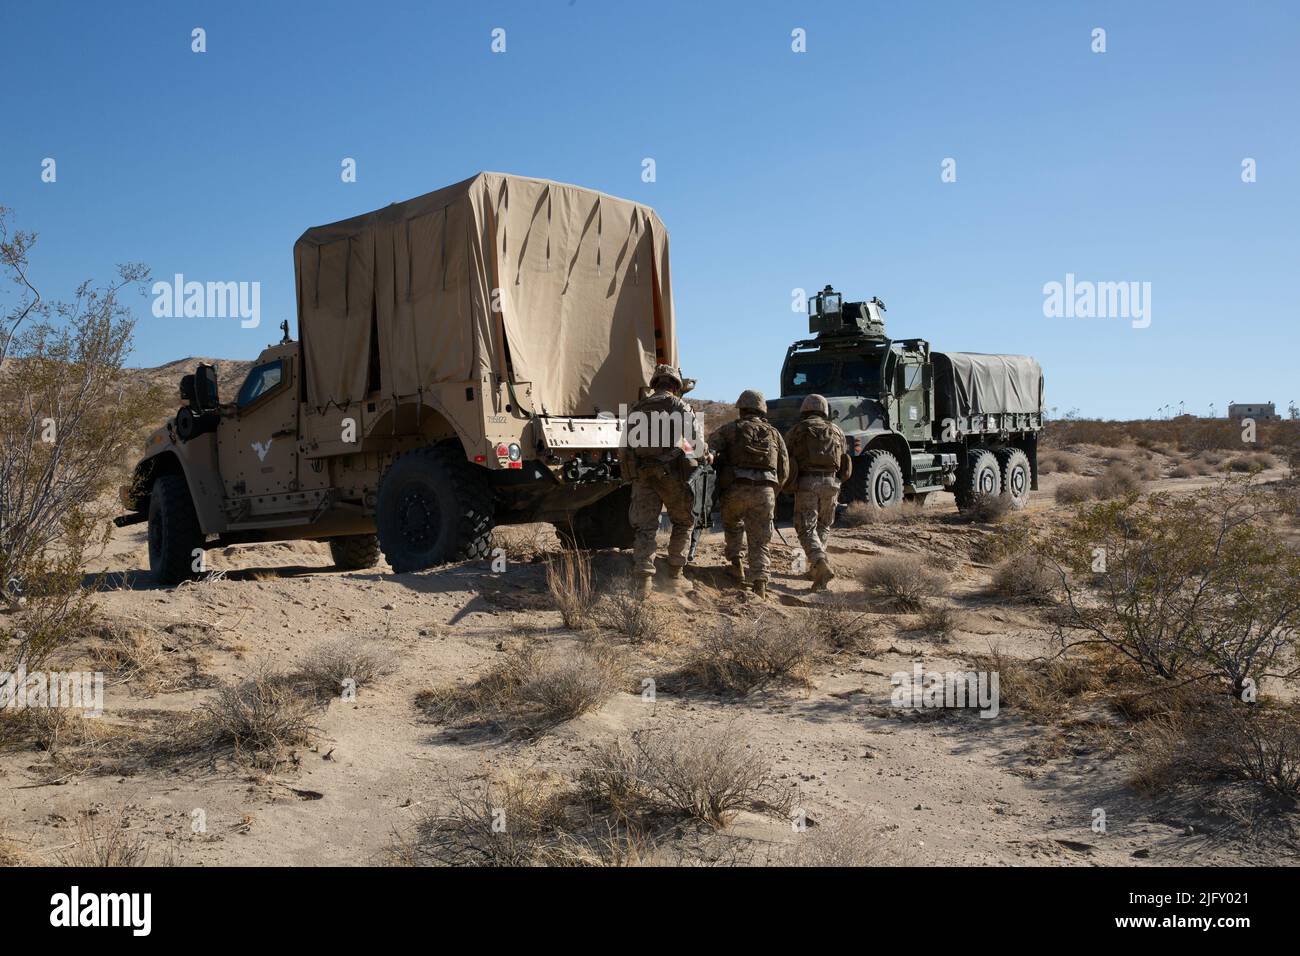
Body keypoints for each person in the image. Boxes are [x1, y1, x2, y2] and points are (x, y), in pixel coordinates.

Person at [623, 364, 707, 596]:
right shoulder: (679, 406)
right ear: (676, 385)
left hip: (643, 476)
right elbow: (697, 444)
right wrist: (706, 455)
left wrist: (631, 474)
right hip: (672, 475)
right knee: (683, 522)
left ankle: (643, 582)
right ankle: (674, 577)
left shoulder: (636, 408)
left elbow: (625, 448)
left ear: (655, 383)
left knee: (645, 528)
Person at [710, 389, 789, 598]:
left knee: (733, 525)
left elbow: (706, 450)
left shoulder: (729, 430)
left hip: (735, 489)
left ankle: (736, 563)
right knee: (760, 539)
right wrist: (772, 491)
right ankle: (760, 583)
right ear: (762, 409)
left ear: (741, 409)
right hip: (765, 491)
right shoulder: (775, 434)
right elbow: (785, 470)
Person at [783, 393, 852, 590]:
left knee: (805, 528)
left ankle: (820, 563)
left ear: (804, 409)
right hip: (832, 483)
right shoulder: (837, 430)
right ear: (824, 410)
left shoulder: (797, 430)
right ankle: (816, 568)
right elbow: (844, 458)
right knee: (823, 526)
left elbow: (786, 458)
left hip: (807, 483)